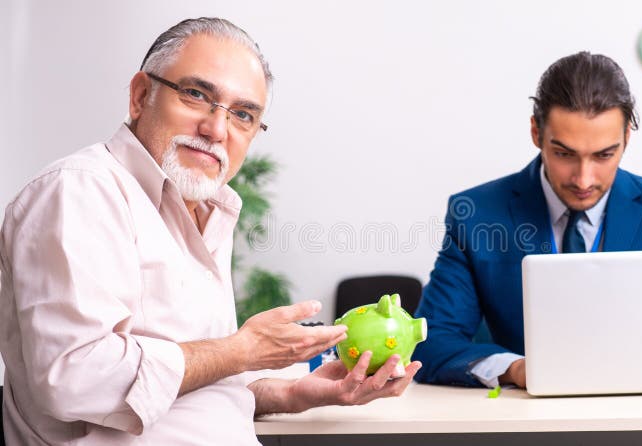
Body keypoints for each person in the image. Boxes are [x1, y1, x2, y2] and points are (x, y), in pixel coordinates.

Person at [0, 17, 420, 445]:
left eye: (242, 115)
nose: (217, 130)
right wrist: (243, 350)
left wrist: (295, 393)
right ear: (140, 96)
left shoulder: (208, 209)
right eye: (197, 95)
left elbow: (194, 384)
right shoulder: (79, 191)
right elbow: (74, 379)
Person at [412, 51, 642, 389]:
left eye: (604, 154)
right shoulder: (477, 214)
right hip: (527, 425)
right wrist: (516, 369)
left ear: (626, 139)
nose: (584, 179)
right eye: (564, 153)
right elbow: (432, 344)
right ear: (536, 133)